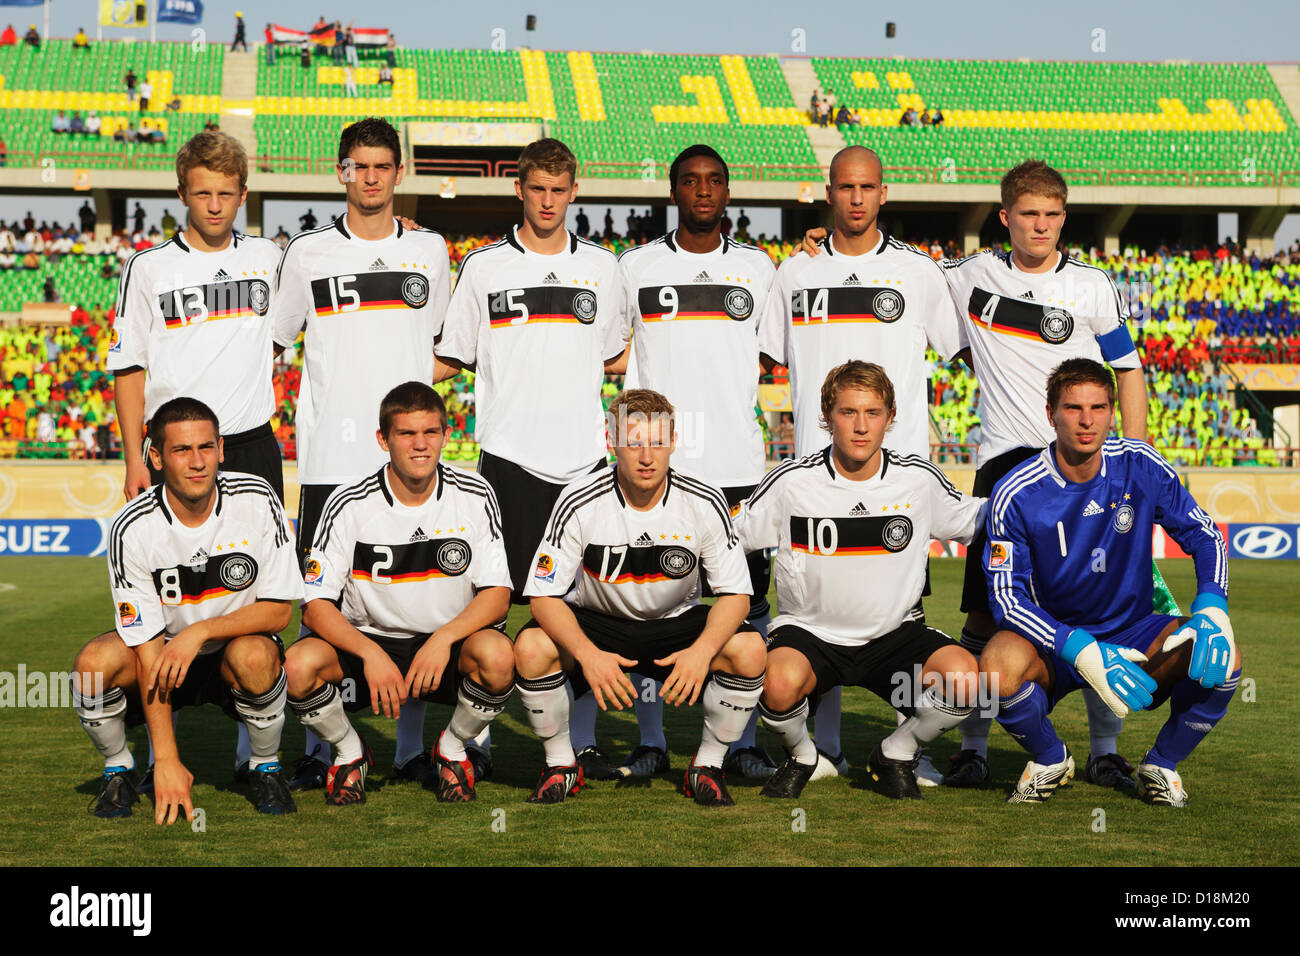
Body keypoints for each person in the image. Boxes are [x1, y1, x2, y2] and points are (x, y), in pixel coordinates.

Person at [936, 160, 1150, 789]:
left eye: (1053, 215)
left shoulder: (1092, 286)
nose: (1042, 226)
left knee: (1095, 607)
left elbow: (1128, 371)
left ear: (1064, 218)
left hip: (1086, 465)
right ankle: (972, 746)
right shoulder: (969, 276)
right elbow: (895, 270)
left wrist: (1131, 456)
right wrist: (820, 244)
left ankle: (1104, 750)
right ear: (1005, 218)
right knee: (985, 614)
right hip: (1007, 466)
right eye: (1029, 214)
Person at [762, 146, 963, 784]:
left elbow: (963, 346)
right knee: (817, 609)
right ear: (829, 191)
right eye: (845, 187)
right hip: (811, 479)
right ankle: (822, 750)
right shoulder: (793, 274)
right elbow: (766, 353)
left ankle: (906, 745)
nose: (855, 198)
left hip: (899, 482)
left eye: (867, 187)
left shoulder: (920, 274)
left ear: (883, 193)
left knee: (893, 611)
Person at [434, 137, 627, 780]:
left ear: (574, 192)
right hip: (508, 461)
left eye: (559, 189)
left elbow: (617, 357)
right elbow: (451, 353)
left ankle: (583, 741)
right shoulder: (484, 268)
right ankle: (473, 735)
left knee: (586, 609)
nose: (547, 201)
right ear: (519, 190)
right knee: (490, 603)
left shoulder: (603, 268)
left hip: (585, 466)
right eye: (536, 189)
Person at [272, 116, 451, 790]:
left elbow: (443, 348)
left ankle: (409, 746)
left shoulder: (431, 251)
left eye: (382, 166)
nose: (370, 178)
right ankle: (326, 746)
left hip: (407, 463)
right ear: (341, 171)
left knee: (413, 594)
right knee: (327, 606)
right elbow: (277, 340)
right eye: (359, 166)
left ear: (398, 173)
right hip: (328, 460)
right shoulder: (308, 253)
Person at [982, 358, 1235, 805]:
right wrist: (1079, 648)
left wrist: (1213, 606)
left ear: (1113, 412)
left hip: (1134, 633)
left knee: (1225, 659)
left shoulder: (1140, 465)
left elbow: (1204, 533)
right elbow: (1006, 598)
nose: (1086, 420)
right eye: (1073, 407)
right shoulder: (1016, 491)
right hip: (1055, 639)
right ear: (1050, 413)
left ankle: (1161, 764)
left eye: (1098, 407)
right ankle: (1050, 759)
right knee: (995, 669)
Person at [736, 361, 984, 799]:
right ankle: (802, 754)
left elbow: (981, 520)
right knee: (774, 681)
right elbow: (730, 539)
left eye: (872, 413)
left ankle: (896, 751)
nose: (861, 426)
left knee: (966, 679)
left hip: (894, 637)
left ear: (890, 418)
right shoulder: (793, 482)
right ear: (827, 416)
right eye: (848, 412)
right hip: (810, 636)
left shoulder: (918, 480)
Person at [514, 388, 766, 805]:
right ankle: (561, 764)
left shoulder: (705, 499)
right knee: (530, 646)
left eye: (656, 442)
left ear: (673, 442)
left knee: (750, 650)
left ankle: (707, 766)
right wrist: (587, 654)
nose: (646, 456)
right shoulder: (579, 499)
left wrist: (702, 651)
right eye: (633, 442)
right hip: (600, 621)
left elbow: (736, 594)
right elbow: (543, 596)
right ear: (612, 443)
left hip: (675, 623)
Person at [617, 144, 777, 780]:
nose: (703, 191)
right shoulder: (635, 266)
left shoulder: (761, 268)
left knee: (749, 605)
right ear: (674, 191)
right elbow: (607, 350)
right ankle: (651, 740)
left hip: (738, 463)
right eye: (690, 181)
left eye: (714, 180)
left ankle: (739, 743)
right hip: (657, 465)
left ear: (728, 191)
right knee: (654, 602)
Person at [70, 397, 301, 822]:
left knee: (255, 654)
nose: (197, 462)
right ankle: (119, 768)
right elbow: (146, 647)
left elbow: (278, 612)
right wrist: (168, 760)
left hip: (233, 649)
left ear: (221, 450)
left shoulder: (257, 497)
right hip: (164, 656)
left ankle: (265, 767)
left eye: (206, 448)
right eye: (181, 450)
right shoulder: (132, 527)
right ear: (156, 457)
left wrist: (201, 631)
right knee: (92, 664)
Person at [285, 382, 516, 804]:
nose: (420, 445)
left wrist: (443, 638)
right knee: (299, 665)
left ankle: (451, 748)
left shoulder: (476, 494)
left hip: (448, 643)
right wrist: (370, 653)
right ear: (383, 439)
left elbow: (498, 594)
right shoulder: (348, 503)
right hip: (370, 642)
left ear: (447, 436)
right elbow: (315, 607)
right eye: (407, 434)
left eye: (430, 432)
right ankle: (350, 751)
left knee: (499, 656)